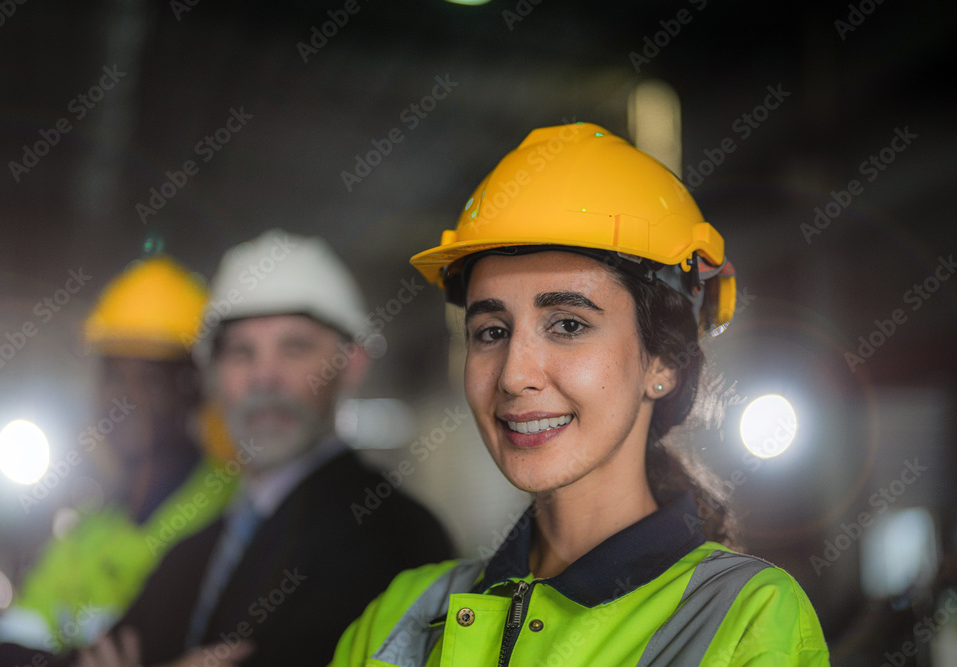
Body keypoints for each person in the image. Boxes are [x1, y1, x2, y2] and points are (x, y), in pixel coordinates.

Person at [331, 123, 830, 666]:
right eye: (492, 331)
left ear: (662, 362)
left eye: (568, 324)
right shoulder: (404, 614)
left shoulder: (744, 617)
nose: (513, 376)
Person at [72, 230, 453, 667]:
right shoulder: (192, 553)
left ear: (351, 364)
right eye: (241, 352)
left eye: (294, 348)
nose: (264, 377)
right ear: (211, 376)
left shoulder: (398, 536)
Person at [0, 256, 238, 665]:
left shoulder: (230, 512)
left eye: (150, 380)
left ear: (193, 390)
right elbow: (2, 652)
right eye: (114, 376)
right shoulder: (90, 530)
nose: (126, 397)